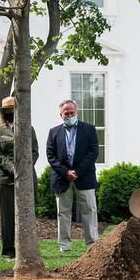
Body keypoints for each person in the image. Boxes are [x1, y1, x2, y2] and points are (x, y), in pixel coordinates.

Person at [45, 98, 98, 252]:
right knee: (63, 213)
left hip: (85, 177)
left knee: (89, 211)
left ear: (77, 112)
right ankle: (65, 246)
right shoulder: (53, 132)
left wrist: (77, 171)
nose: (69, 115)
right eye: (66, 113)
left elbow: (93, 153)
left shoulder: (89, 129)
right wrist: (65, 172)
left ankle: (92, 245)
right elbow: (50, 155)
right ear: (60, 115)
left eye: (71, 112)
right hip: (62, 179)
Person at [0, 96, 33, 261]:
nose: (10, 113)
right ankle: (8, 250)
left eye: (12, 110)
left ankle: (26, 249)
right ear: (3, 113)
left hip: (26, 180)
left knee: (26, 217)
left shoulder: (28, 128)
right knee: (7, 218)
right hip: (5, 180)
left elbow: (34, 151)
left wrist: (24, 170)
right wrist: (12, 168)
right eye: (7, 111)